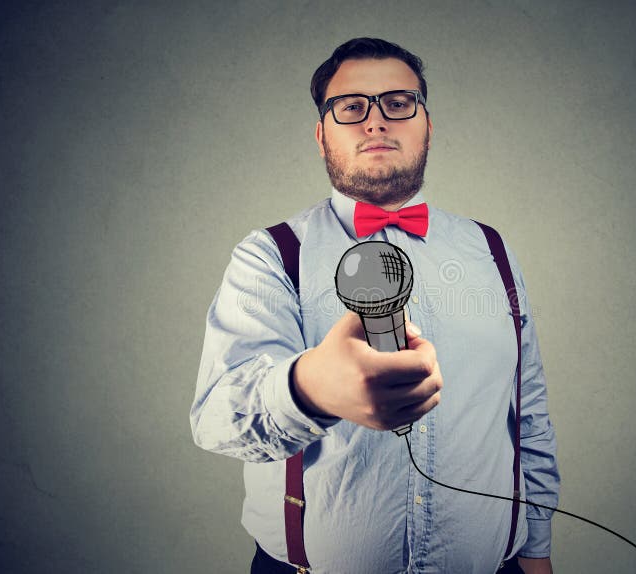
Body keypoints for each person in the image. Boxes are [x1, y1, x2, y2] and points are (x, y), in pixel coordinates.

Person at [190, 37, 560, 574]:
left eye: (398, 102)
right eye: (351, 107)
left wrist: (537, 550)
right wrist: (310, 387)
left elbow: (528, 418)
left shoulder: (493, 250)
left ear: (427, 124)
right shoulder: (269, 255)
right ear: (322, 135)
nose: (375, 121)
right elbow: (217, 417)